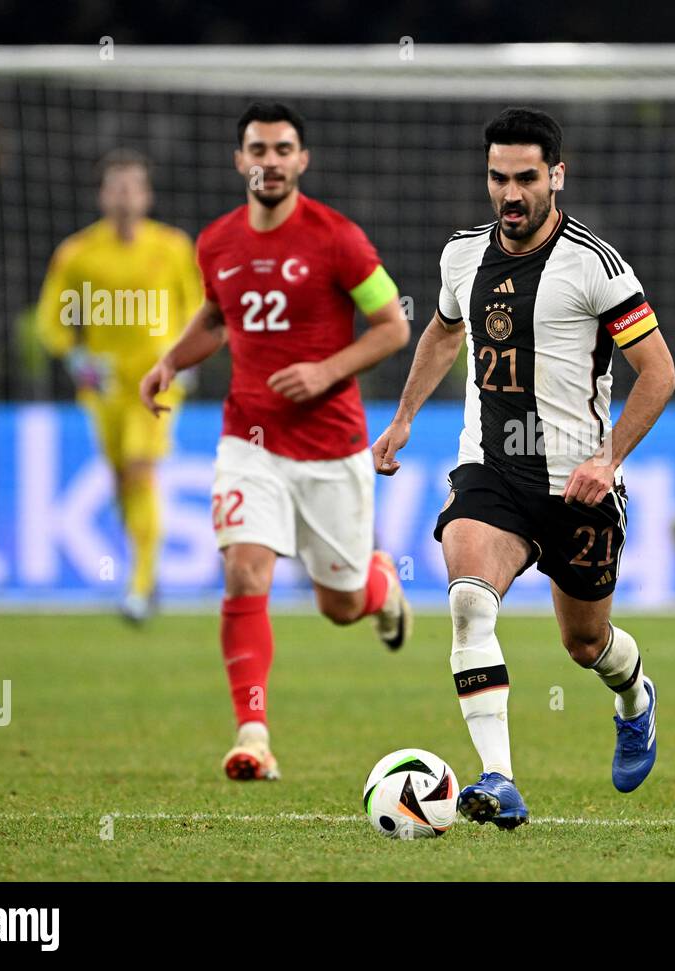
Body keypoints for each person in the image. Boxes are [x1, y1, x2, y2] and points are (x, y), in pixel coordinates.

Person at [373, 108, 675, 829]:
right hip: (491, 471)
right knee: (469, 603)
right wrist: (405, 416)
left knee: (586, 645)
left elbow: (659, 372)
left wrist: (609, 460)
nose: (510, 194)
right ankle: (498, 778)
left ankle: (636, 698)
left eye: (526, 179)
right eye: (497, 178)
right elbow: (444, 333)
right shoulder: (461, 255)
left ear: (556, 177)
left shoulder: (597, 266)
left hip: (581, 485)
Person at [140, 102, 412, 781]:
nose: (270, 160)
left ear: (301, 160)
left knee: (340, 607)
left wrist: (325, 369)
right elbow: (216, 315)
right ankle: (253, 735)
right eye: (257, 149)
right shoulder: (216, 242)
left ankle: (381, 587)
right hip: (248, 442)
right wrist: (172, 360)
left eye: (282, 149)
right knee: (243, 569)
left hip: (331, 446)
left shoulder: (340, 238)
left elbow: (392, 326)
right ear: (241, 161)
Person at [36, 149, 203, 624]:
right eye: (117, 186)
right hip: (104, 388)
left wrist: (188, 357)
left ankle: (139, 586)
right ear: (103, 195)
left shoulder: (172, 248)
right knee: (123, 478)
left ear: (147, 194)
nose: (126, 195)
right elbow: (52, 320)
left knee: (139, 467)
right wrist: (75, 357)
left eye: (134, 185)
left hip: (158, 383)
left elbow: (199, 308)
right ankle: (146, 572)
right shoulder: (77, 253)